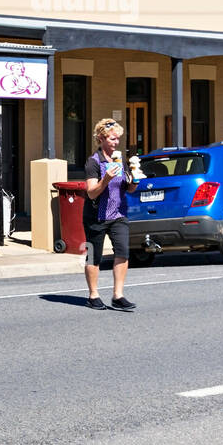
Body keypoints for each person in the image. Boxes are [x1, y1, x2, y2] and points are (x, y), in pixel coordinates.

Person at [83, 118, 139, 310]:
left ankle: (118, 295)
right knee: (93, 256)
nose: (116, 143)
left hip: (118, 214)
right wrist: (106, 179)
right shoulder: (93, 162)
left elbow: (127, 189)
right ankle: (93, 295)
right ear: (101, 138)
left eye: (118, 139)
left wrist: (134, 181)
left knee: (123, 252)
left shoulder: (119, 159)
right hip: (95, 216)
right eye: (113, 139)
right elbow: (91, 192)